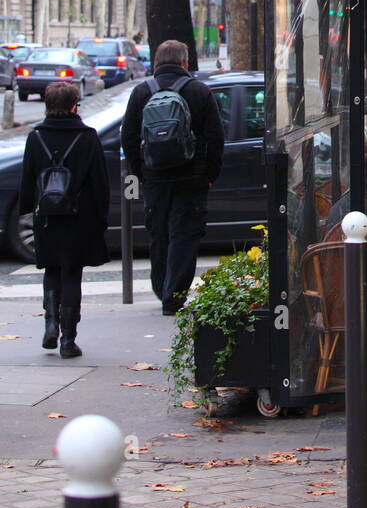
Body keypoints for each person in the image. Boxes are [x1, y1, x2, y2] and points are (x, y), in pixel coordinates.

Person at [121, 39, 224, 315]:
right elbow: (215, 138)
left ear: (156, 62)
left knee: (160, 234)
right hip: (192, 178)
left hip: (156, 178)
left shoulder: (142, 92)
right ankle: (174, 295)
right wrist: (209, 174)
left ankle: (161, 287)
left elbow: (128, 137)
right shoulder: (199, 92)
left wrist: (141, 171)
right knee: (185, 235)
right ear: (184, 62)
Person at [18, 79, 110, 358]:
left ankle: (50, 324)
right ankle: (68, 340)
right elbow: (99, 184)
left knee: (52, 271)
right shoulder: (88, 136)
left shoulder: (36, 137)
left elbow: (28, 178)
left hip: (47, 217)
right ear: (74, 106)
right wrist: (100, 218)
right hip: (79, 217)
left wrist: (27, 209)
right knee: (72, 273)